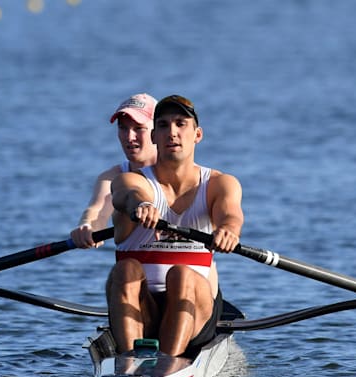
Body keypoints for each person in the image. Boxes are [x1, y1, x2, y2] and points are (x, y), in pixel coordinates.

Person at [107, 94, 244, 357]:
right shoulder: (132, 181)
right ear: (154, 137)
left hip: (196, 310)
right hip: (141, 307)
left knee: (180, 275)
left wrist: (228, 231)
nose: (172, 132)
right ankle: (129, 364)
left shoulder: (219, 183)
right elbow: (127, 195)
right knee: (126, 269)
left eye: (181, 124)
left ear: (198, 135)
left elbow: (231, 215)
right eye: (163, 125)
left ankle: (167, 364)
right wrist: (141, 207)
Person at [69, 93, 158, 249]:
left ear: (157, 132)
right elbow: (98, 211)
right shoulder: (111, 177)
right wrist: (87, 226)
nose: (129, 137)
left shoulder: (183, 174)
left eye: (139, 128)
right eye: (123, 128)